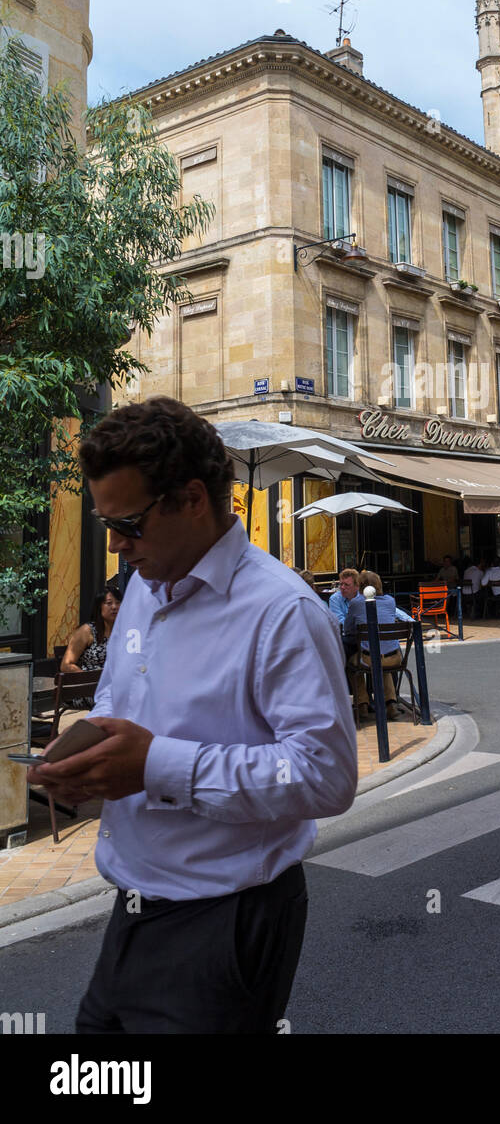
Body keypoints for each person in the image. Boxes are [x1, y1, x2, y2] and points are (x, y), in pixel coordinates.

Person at [28, 395, 357, 1035]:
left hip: (226, 919)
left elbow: (326, 776)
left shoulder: (281, 611)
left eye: (129, 523)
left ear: (192, 499)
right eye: (106, 526)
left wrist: (154, 765)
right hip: (132, 907)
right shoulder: (146, 590)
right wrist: (88, 761)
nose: (118, 546)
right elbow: (117, 705)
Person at [343, 570, 413, 719]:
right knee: (382, 662)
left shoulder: (356, 603)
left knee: (351, 665)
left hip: (369, 660)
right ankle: (391, 703)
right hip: (395, 657)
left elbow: (348, 629)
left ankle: (362, 704)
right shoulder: (390, 601)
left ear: (361, 586)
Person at [60, 586, 122, 710]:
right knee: (119, 702)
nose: (114, 607)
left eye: (118, 603)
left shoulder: (123, 632)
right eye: (109, 603)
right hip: (86, 690)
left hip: (114, 687)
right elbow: (66, 665)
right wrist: (90, 681)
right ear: (99, 607)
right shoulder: (87, 631)